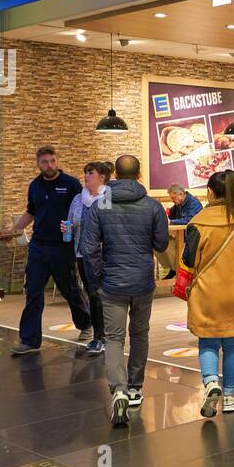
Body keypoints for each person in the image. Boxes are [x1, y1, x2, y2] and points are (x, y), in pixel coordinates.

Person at [81, 155, 169, 428]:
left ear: (115, 174)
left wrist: (96, 280)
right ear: (139, 174)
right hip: (142, 281)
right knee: (140, 334)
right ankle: (135, 388)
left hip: (112, 283)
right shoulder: (151, 205)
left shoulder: (101, 204)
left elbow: (89, 248)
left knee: (115, 339)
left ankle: (118, 389)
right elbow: (162, 243)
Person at [180, 170, 234, 418]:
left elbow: (188, 261)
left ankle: (212, 382)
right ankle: (231, 395)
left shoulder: (198, 223)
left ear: (210, 192)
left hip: (208, 293)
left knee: (208, 340)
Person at [0, 146, 92, 355]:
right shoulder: (35, 186)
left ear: (56, 161)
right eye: (44, 162)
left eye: (52, 161)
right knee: (33, 291)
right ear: (38, 164)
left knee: (70, 289)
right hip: (39, 246)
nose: (49, 165)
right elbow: (31, 212)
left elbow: (81, 211)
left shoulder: (71, 184)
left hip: (63, 246)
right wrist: (13, 231)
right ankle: (29, 340)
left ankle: (86, 324)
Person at [67, 161, 111, 356]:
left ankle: (105, 336)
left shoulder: (107, 197)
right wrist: (67, 229)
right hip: (81, 252)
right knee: (91, 294)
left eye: (90, 173)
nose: (86, 177)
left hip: (102, 254)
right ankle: (98, 335)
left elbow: (108, 226)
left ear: (102, 177)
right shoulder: (78, 198)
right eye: (85, 173)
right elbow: (69, 223)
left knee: (101, 295)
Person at [160, 183, 203, 279]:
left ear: (181, 194)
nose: (172, 201)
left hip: (193, 240)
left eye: (173, 198)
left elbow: (189, 220)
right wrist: (163, 214)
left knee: (165, 243)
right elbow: (170, 213)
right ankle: (174, 268)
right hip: (183, 236)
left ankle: (176, 270)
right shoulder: (179, 204)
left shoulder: (193, 203)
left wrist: (170, 221)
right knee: (160, 242)